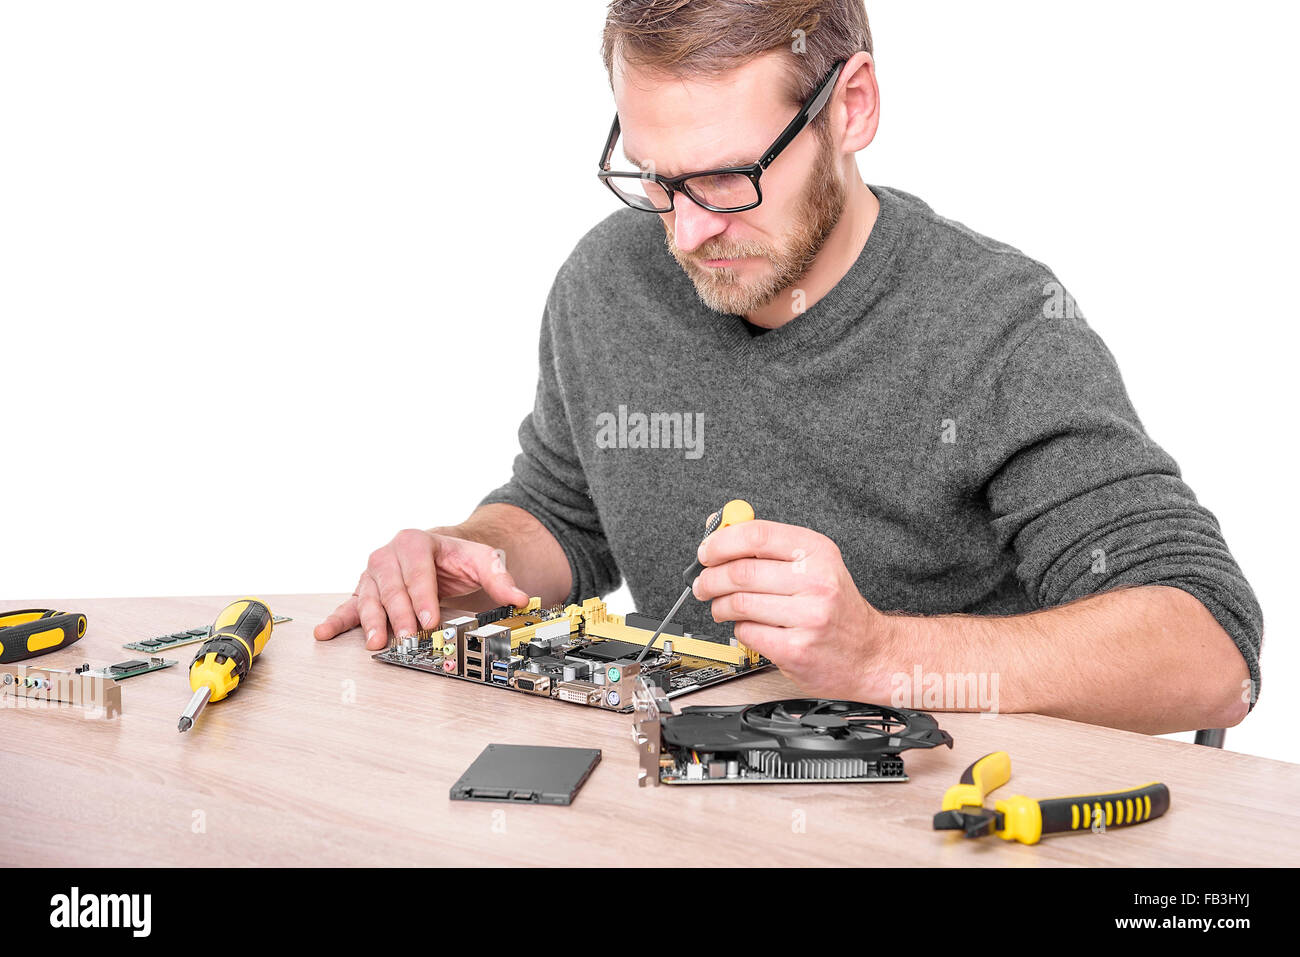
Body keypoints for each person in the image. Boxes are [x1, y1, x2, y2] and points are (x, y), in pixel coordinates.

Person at [315, 0, 1260, 734]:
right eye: (655, 176)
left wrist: (882, 654)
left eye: (728, 176)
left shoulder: (997, 328)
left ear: (851, 107)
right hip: (674, 808)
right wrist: (472, 556)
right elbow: (565, 513)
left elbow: (1213, 652)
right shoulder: (608, 280)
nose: (685, 232)